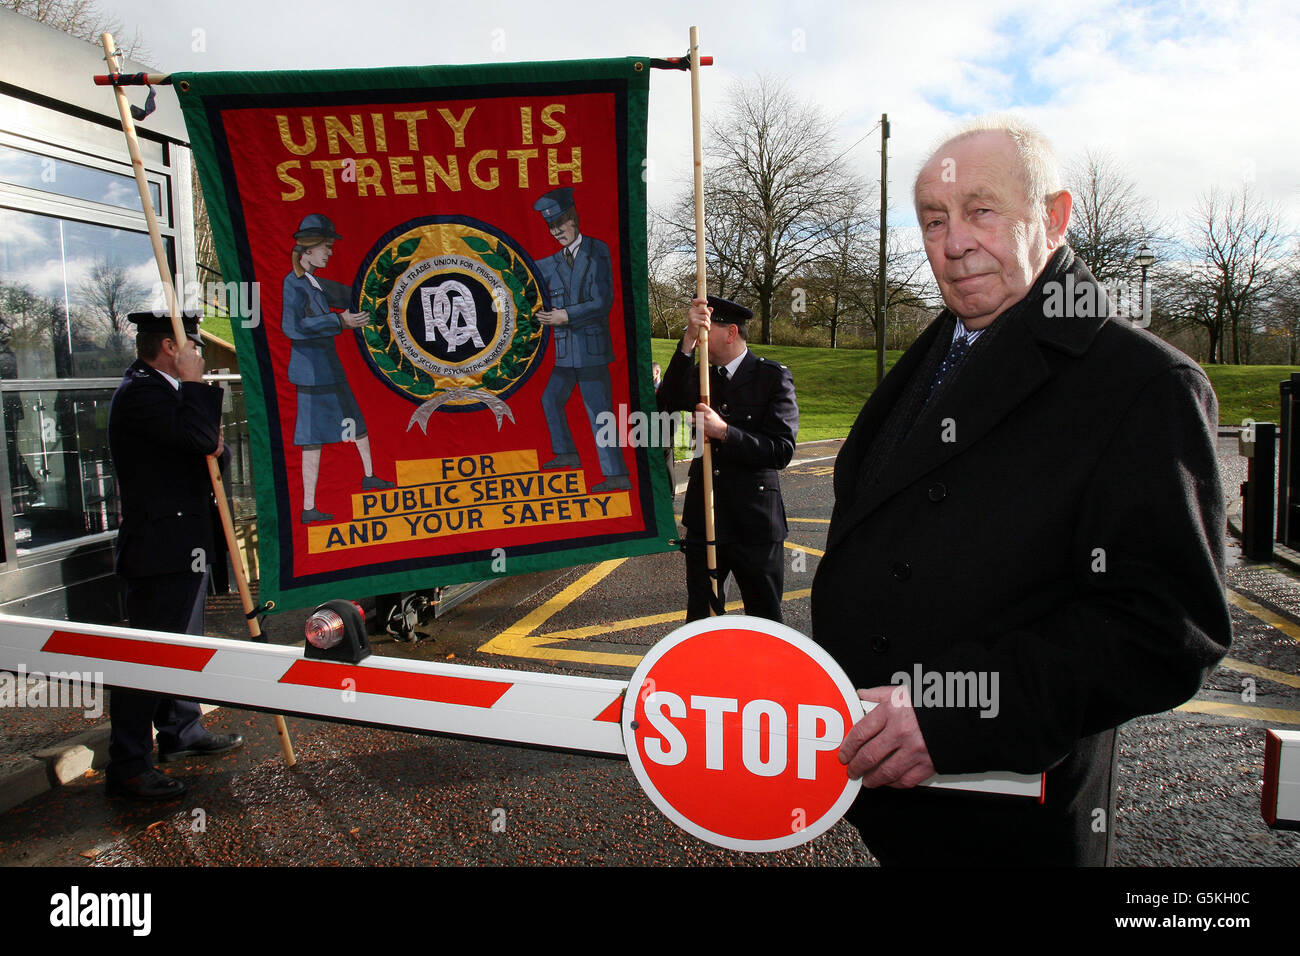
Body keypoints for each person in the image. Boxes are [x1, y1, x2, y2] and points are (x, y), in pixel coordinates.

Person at [810, 118, 1231, 865]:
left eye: (982, 211)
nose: (954, 241)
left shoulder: (1141, 382)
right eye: (934, 220)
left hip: (1008, 821)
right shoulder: (943, 345)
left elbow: (1166, 628)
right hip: (900, 801)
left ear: (1055, 216)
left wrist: (953, 713)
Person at [105, 311, 244, 800]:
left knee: (181, 645)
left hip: (184, 546)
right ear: (169, 347)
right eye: (192, 348)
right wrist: (194, 387)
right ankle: (127, 764)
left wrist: (207, 435)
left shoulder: (165, 391)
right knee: (145, 656)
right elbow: (206, 441)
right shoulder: (142, 392)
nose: (199, 357)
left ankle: (181, 730)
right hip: (160, 548)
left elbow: (216, 456)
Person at [658, 295, 798, 623]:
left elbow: (781, 450)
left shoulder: (771, 377)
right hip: (705, 518)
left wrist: (725, 432)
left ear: (731, 332)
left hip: (755, 522)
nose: (702, 336)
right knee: (701, 619)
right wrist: (688, 341)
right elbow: (663, 406)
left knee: (764, 619)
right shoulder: (698, 377)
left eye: (707, 329)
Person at [282, 213, 394, 525]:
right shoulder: (294, 284)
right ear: (308, 249)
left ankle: (369, 475)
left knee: (356, 421)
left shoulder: (315, 281)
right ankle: (308, 506)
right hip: (311, 375)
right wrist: (338, 322)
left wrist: (380, 287)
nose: (330, 253)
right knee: (312, 437)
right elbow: (292, 327)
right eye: (326, 247)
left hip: (330, 369)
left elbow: (349, 294)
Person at [532, 187, 630, 493]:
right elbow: (526, 276)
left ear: (574, 219)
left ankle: (616, 475)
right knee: (550, 398)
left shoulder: (596, 252)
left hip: (590, 350)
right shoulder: (552, 263)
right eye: (551, 226)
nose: (557, 231)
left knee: (598, 412)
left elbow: (603, 302)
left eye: (561, 223)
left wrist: (565, 315)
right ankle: (567, 454)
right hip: (566, 352)